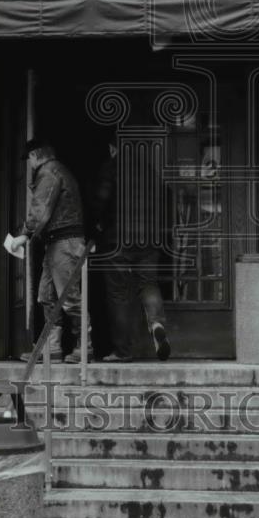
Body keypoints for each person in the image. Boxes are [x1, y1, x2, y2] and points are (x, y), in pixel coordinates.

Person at [90, 136, 171, 362]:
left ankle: (122, 352)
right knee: (148, 283)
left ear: (113, 147)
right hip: (149, 240)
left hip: (118, 241)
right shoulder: (149, 171)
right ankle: (156, 323)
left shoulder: (112, 166)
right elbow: (165, 199)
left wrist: (96, 223)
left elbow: (101, 199)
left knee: (118, 294)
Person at [13, 138, 92, 364]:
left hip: (64, 242)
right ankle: (53, 347)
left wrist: (24, 235)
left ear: (35, 155)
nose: (28, 164)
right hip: (59, 241)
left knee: (69, 298)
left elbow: (41, 208)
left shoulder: (49, 172)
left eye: (28, 158)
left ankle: (84, 346)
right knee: (47, 296)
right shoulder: (58, 171)